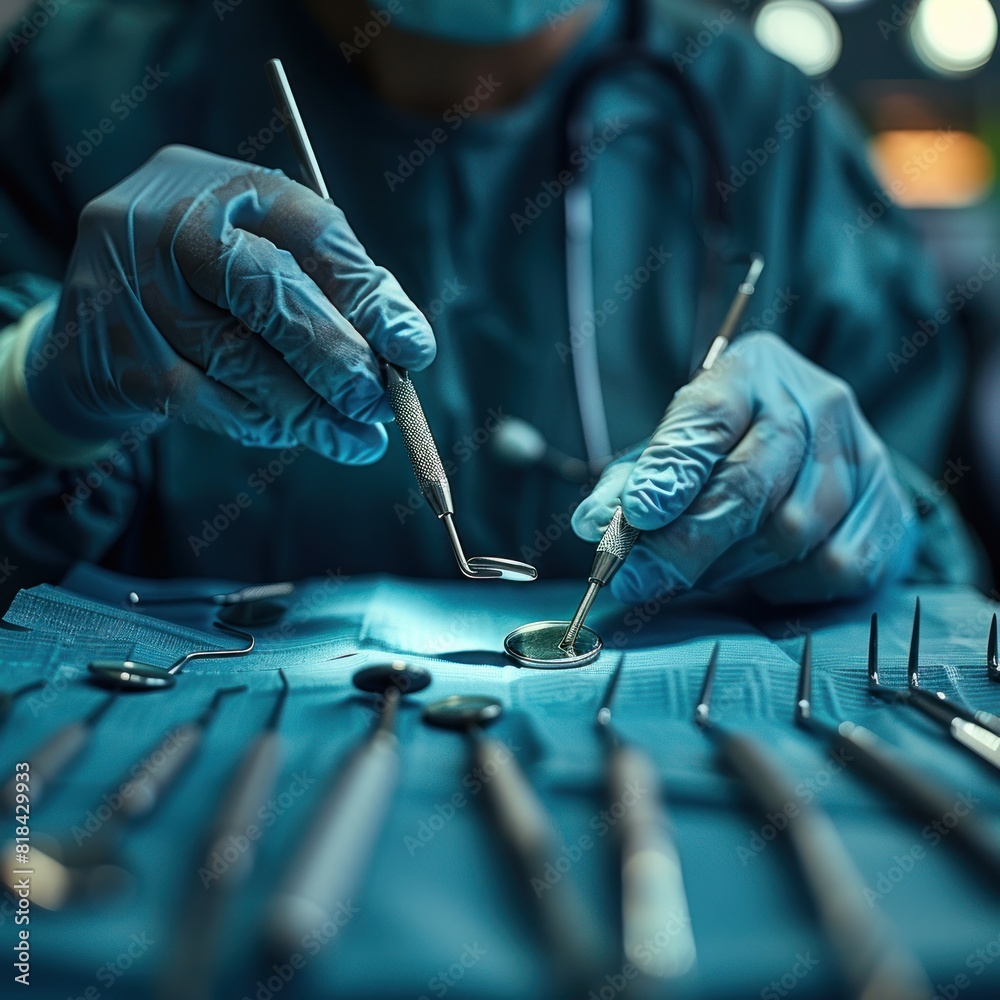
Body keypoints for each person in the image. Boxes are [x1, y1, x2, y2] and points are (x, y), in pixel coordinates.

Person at [0, 0, 977, 610]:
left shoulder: (771, 127)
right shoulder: (78, 89)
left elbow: (937, 595)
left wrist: (852, 515)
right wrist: (35, 393)